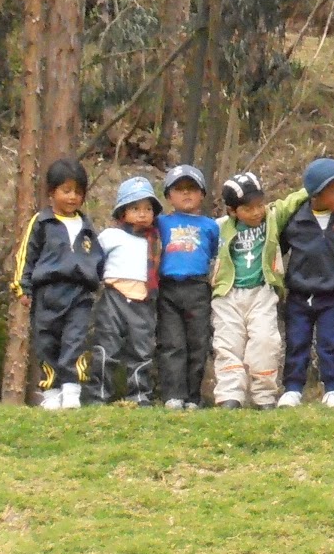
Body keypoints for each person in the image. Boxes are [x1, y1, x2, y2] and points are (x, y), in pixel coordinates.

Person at [12, 159, 104, 411]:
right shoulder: (41, 222)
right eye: (66, 190)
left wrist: (96, 279)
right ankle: (51, 393)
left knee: (76, 339)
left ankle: (72, 390)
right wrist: (22, 287)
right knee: (47, 342)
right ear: (51, 192)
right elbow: (26, 255)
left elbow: (98, 258)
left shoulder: (87, 227)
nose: (72, 197)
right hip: (47, 294)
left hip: (80, 294)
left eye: (78, 192)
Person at [276, 158, 334, 408]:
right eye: (333, 190)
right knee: (297, 341)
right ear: (316, 193)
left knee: (332, 342)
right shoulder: (296, 220)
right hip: (299, 294)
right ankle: (293, 388)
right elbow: (278, 249)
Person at [211, 172, 295, 410]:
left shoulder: (271, 219)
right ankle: (230, 395)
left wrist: (314, 185)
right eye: (248, 209)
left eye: (260, 205)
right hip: (228, 295)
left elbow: (291, 202)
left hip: (261, 292)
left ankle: (264, 396)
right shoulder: (219, 228)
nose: (257, 212)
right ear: (232, 211)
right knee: (228, 343)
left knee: (266, 341)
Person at [84, 176, 161, 406]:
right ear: (122, 212)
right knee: (106, 346)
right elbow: (94, 262)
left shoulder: (155, 240)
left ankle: (139, 395)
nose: (142, 214)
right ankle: (98, 394)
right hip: (114, 297)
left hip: (143, 300)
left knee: (142, 349)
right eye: (135, 208)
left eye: (148, 209)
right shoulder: (111, 236)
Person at [156, 165, 220, 410]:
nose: (186, 194)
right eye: (179, 189)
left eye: (192, 189)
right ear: (168, 196)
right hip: (168, 288)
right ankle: (173, 394)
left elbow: (213, 253)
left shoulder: (210, 226)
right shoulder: (161, 223)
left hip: (198, 288)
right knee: (172, 343)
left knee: (198, 342)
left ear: (202, 194)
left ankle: (193, 396)